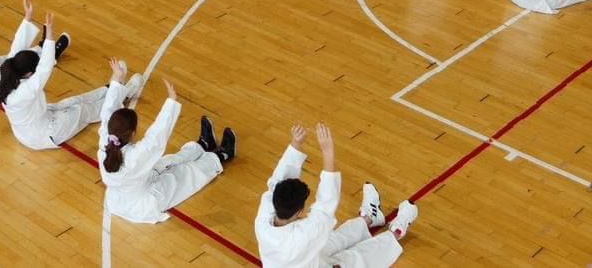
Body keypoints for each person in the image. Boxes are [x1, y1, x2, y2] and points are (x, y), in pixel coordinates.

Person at [254, 123, 417, 267]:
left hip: (304, 260)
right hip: (306, 261)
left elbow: (278, 182)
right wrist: (328, 152)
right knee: (358, 258)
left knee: (333, 239)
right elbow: (325, 206)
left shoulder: (265, 218)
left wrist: (296, 142)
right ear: (298, 213)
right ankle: (396, 232)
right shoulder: (301, 236)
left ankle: (371, 218)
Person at [98, 68, 233, 224]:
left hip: (122, 196)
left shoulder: (105, 143)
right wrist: (171, 102)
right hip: (143, 202)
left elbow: (107, 113)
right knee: (184, 175)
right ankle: (221, 156)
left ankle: (202, 146)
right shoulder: (134, 156)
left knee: (167, 161)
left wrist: (117, 80)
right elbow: (156, 138)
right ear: (133, 133)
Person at [0, 12, 130, 150]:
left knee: (73, 101)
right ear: (29, 74)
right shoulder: (24, 91)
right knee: (84, 110)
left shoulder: (8, 72)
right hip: (45, 134)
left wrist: (28, 18)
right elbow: (45, 68)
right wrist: (49, 36)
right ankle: (118, 94)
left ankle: (109, 89)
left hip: (37, 121)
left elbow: (15, 50)